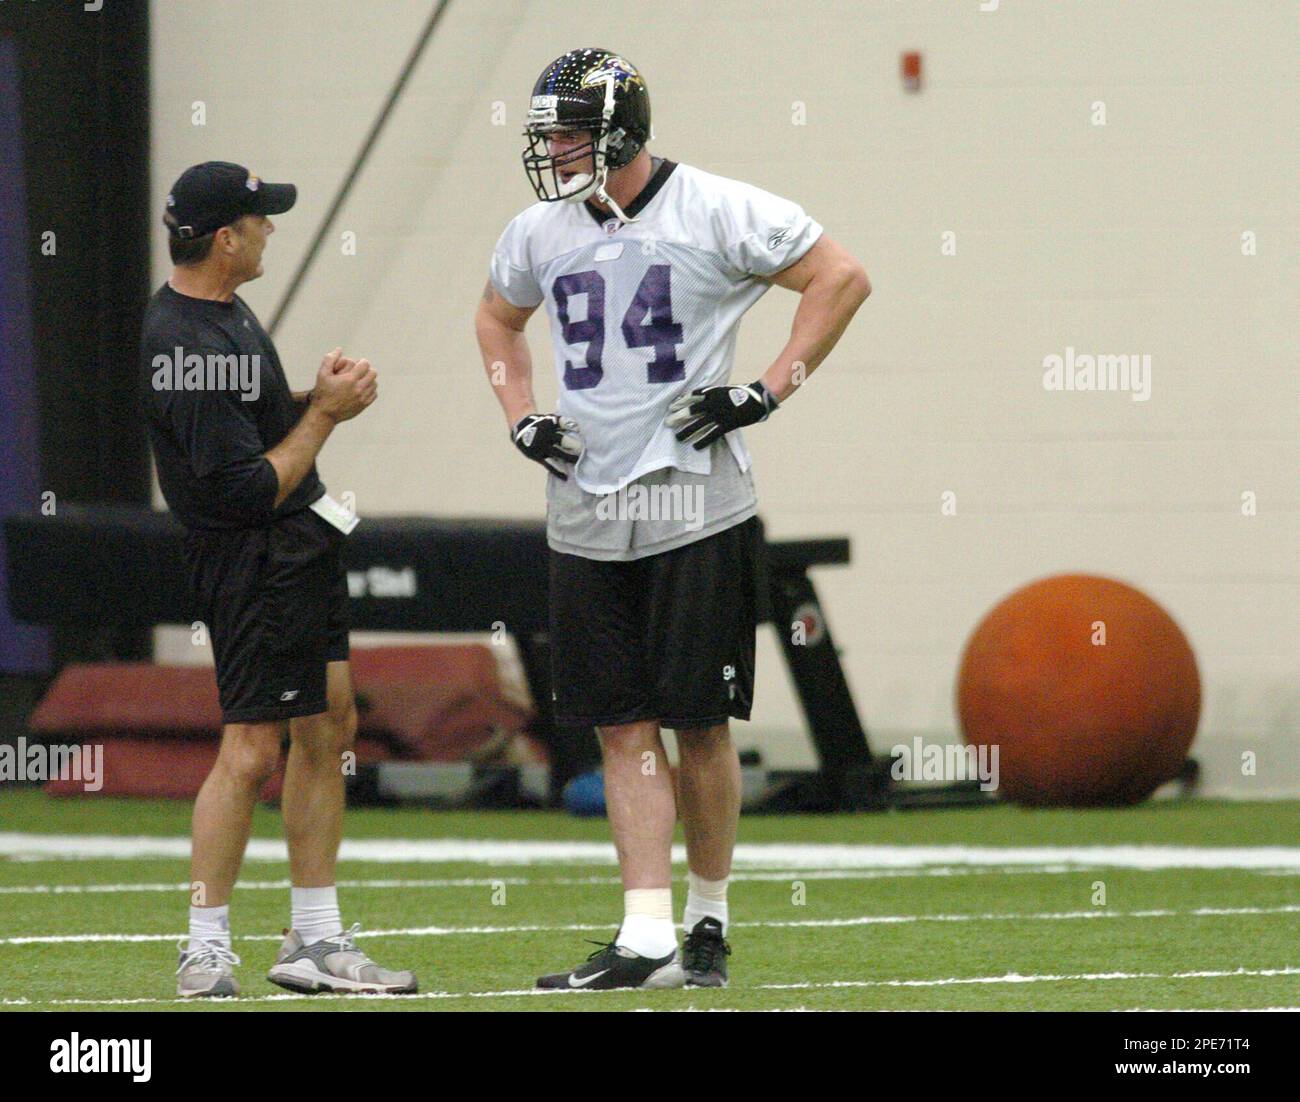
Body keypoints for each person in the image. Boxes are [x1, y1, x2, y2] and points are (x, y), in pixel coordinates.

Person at [475, 50, 870, 990]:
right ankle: (645, 934)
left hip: (693, 501)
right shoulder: (540, 230)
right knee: (618, 724)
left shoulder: (717, 208)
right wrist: (520, 416)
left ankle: (708, 919)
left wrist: (766, 394)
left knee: (698, 721)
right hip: (585, 507)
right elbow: (496, 321)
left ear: (618, 130)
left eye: (568, 130)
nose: (554, 149)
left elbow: (841, 278)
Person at [141, 161, 415, 997]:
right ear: (225, 238)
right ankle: (206, 945)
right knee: (252, 748)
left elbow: (253, 426)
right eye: (259, 220)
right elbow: (246, 488)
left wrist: (313, 397)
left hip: (293, 551)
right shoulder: (183, 343)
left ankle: (314, 940)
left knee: (328, 727)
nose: (270, 229)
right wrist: (326, 416)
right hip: (253, 559)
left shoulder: (224, 313)